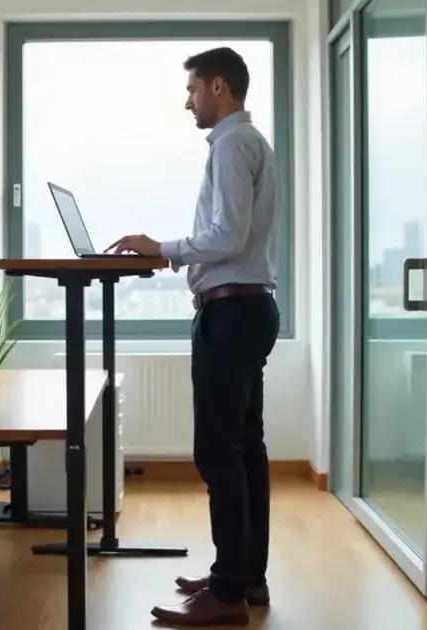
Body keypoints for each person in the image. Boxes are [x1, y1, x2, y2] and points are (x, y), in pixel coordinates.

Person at [106, 46, 281, 627]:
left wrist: (163, 249)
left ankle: (228, 595)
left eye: (193, 89)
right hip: (249, 310)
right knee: (244, 449)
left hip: (232, 314)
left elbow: (225, 235)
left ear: (220, 87)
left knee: (217, 451)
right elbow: (230, 233)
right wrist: (175, 252)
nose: (188, 101)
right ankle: (245, 575)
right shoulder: (248, 144)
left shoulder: (233, 145)